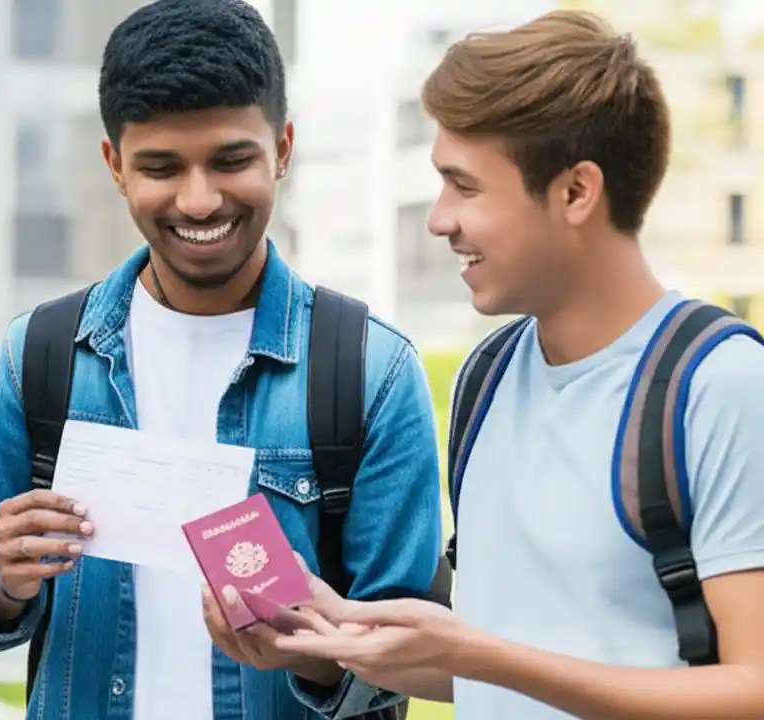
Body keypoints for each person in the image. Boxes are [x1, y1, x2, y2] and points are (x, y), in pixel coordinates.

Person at [0, 1, 442, 718]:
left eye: (232, 160)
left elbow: (411, 654)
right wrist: (5, 577)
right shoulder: (43, 353)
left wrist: (311, 647)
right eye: (161, 167)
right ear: (115, 165)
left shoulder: (369, 370)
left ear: (285, 148)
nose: (199, 199)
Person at [266, 10, 764, 719]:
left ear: (575, 192)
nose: (440, 219)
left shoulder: (719, 388)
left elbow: (754, 690)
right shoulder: (486, 378)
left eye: (463, 187)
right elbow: (516, 674)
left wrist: (480, 654)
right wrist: (333, 639)